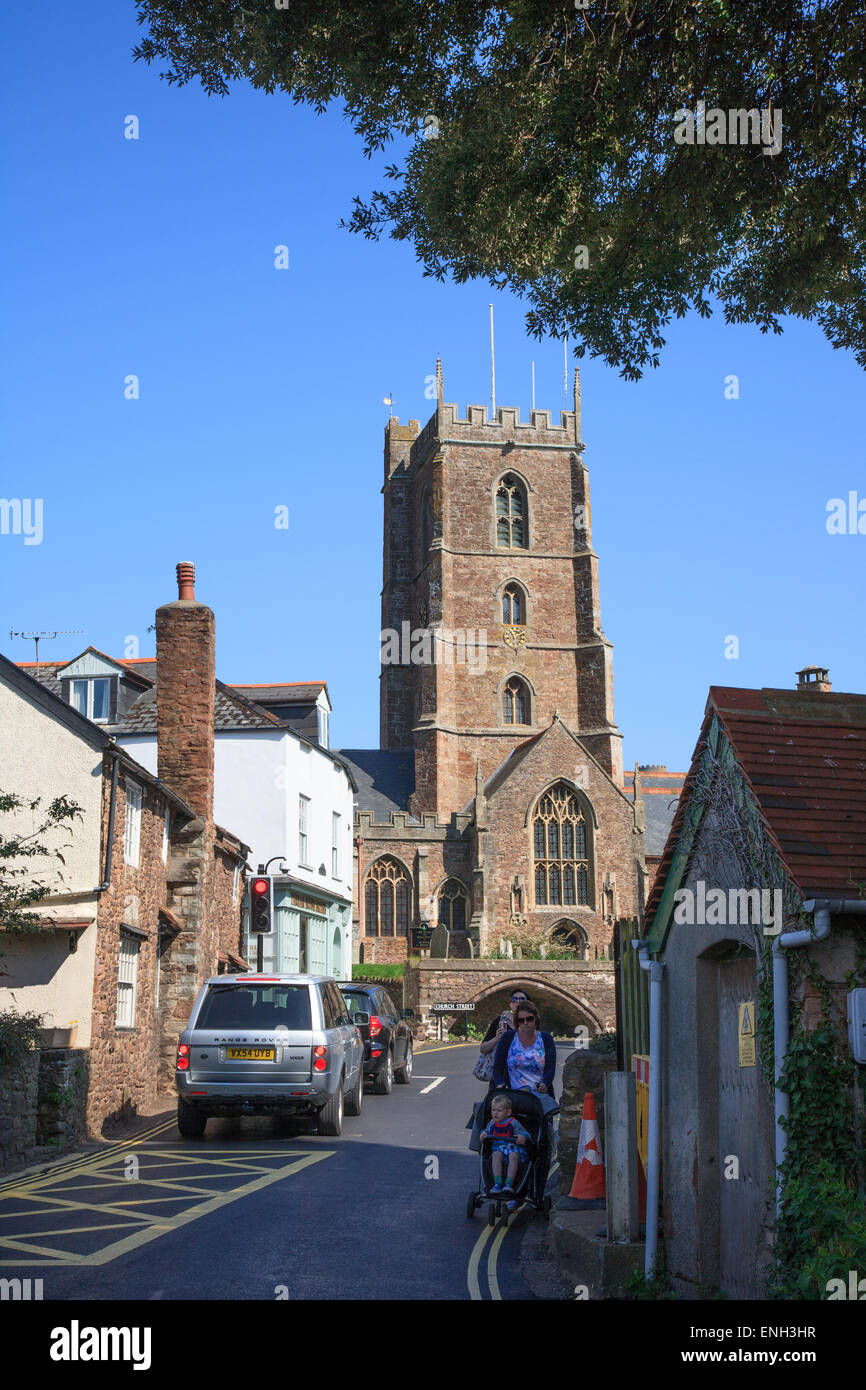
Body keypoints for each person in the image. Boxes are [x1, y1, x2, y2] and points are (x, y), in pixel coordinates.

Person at [491, 1001, 558, 1198]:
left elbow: (550, 1068)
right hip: (514, 1100)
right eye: (521, 1020)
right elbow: (497, 1068)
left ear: (536, 1019)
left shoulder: (545, 1039)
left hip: (538, 1101)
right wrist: (501, 1085)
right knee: (511, 1143)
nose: (525, 1023)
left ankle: (536, 1191)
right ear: (516, 1021)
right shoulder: (509, 1038)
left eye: (529, 1019)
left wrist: (545, 1083)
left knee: (539, 1147)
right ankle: (510, 1186)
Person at [479, 1094, 530, 1195]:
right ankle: (497, 1183)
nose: (495, 1113)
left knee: (513, 1155)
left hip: (513, 1149)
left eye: (499, 1110)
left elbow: (525, 1133)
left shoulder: (513, 1123)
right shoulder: (492, 1123)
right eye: (493, 1110)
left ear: (508, 1112)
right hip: (499, 1150)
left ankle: (509, 1183)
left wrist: (522, 1137)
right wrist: (484, 1133)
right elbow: (486, 1131)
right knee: (496, 1154)